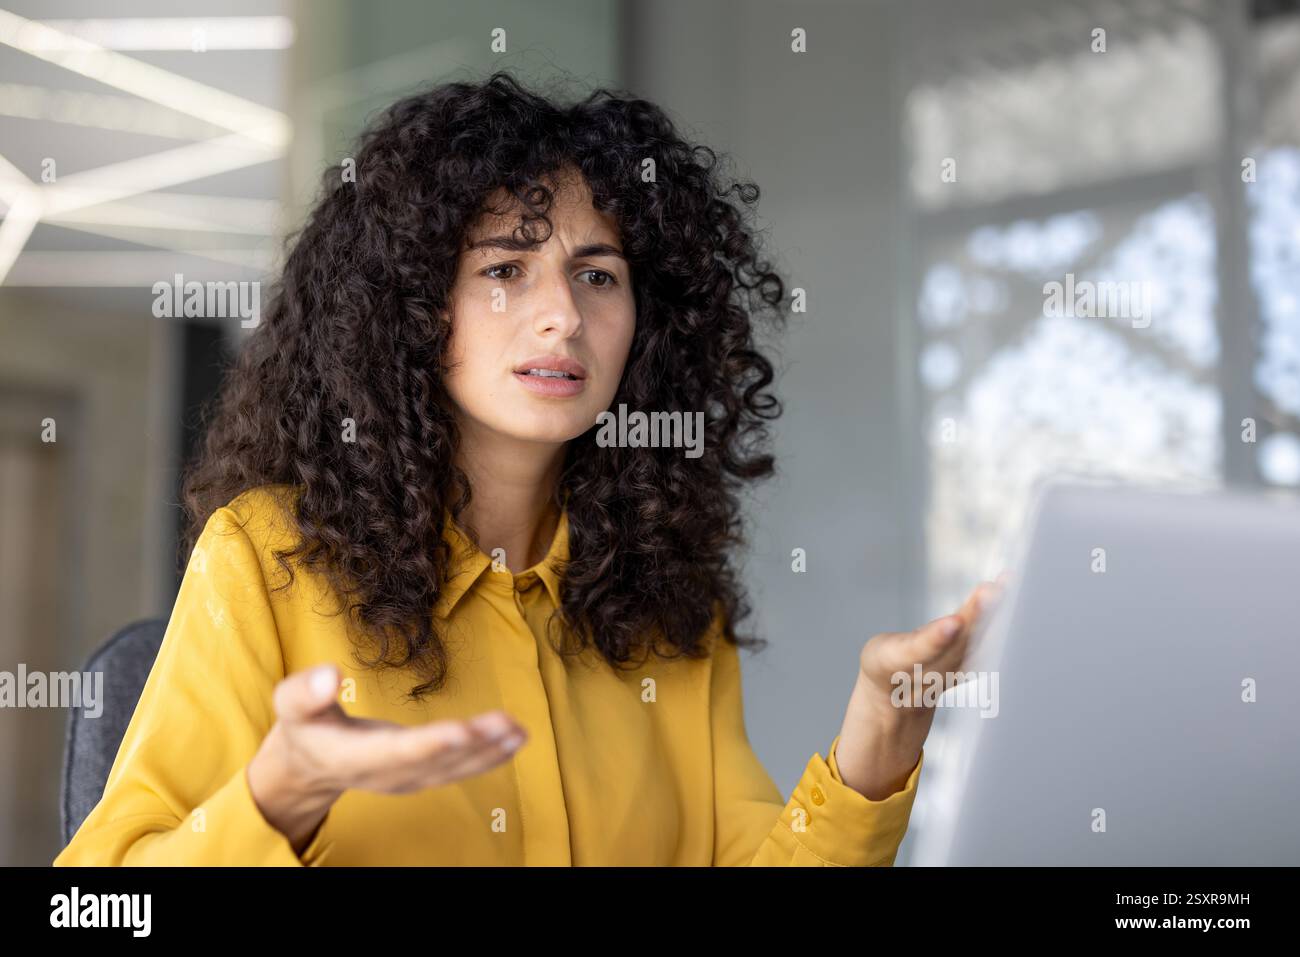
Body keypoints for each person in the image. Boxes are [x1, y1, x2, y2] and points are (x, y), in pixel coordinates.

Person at [55, 71, 997, 866]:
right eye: (506, 269)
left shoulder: (667, 598)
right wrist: (279, 797)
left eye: (598, 275)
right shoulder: (267, 557)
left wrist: (883, 728)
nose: (561, 315)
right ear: (415, 309)